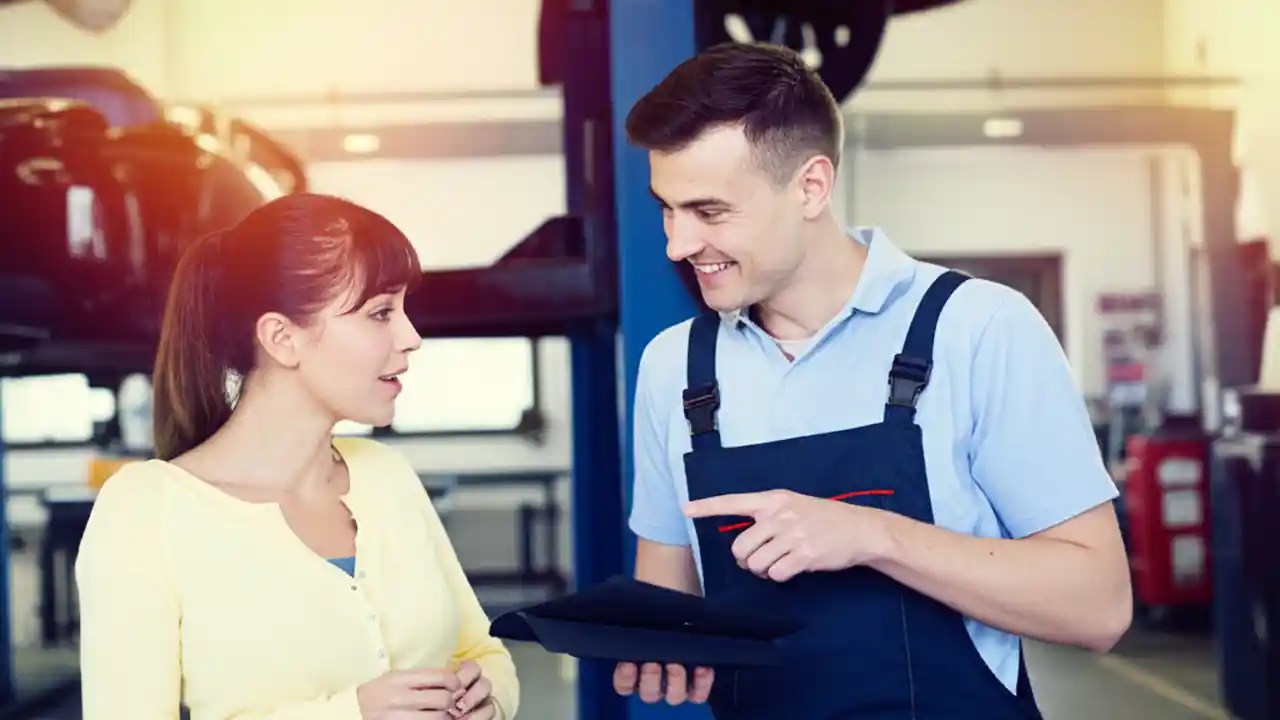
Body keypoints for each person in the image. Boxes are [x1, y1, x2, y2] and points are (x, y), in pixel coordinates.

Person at [612, 43, 1132, 718]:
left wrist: (872, 536)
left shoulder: (977, 329)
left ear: (811, 186)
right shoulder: (673, 367)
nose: (677, 244)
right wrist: (654, 643)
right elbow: (668, 599)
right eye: (667, 209)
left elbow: (1098, 605)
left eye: (709, 212)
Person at [75, 193, 519, 720]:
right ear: (282, 338)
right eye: (381, 313)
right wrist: (349, 715)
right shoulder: (144, 511)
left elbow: (483, 653)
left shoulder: (387, 476)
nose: (412, 337)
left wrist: (487, 697)